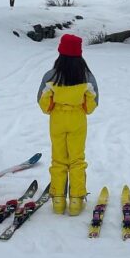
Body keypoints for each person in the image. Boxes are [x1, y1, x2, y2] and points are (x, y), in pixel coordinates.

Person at [36, 34, 98, 215]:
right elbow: (91, 105)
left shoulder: (50, 76)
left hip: (57, 121)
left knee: (58, 160)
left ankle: (58, 200)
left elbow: (43, 104)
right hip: (78, 121)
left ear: (60, 53)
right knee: (77, 160)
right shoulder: (87, 77)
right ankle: (76, 200)